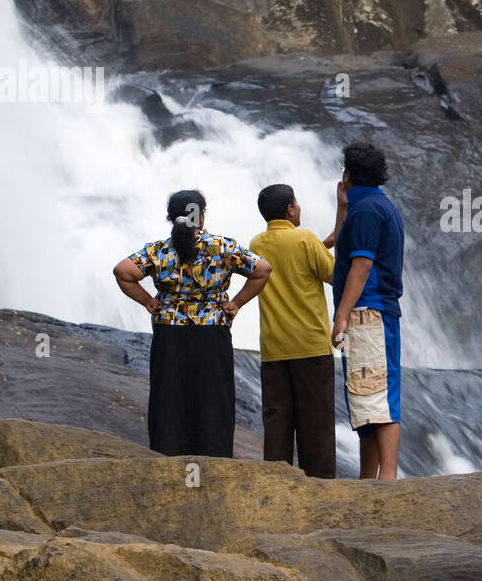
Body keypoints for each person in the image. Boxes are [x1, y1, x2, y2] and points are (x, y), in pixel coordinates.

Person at [113, 189, 270, 458]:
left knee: (170, 394)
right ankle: (215, 454)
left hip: (169, 333)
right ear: (202, 216)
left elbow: (123, 271)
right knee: (213, 394)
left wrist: (149, 302)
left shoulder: (159, 251)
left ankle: (168, 453)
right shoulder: (222, 247)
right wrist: (236, 304)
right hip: (213, 333)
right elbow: (263, 269)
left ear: (171, 218)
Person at [249, 181, 347, 477]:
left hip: (273, 348)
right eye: (297, 203)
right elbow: (333, 274)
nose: (300, 207)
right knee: (315, 422)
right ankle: (319, 488)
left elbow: (301, 253)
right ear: (291, 209)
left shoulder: (256, 244)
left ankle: (276, 483)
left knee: (277, 421)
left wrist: (328, 238)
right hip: (309, 346)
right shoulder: (305, 239)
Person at [331, 142, 405, 480]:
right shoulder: (377, 205)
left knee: (377, 397)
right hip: (377, 312)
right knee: (367, 399)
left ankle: (387, 479)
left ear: (347, 174)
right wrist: (342, 207)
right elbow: (338, 241)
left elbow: (361, 265)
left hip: (366, 313)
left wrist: (341, 316)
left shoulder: (366, 212)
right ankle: (368, 478)